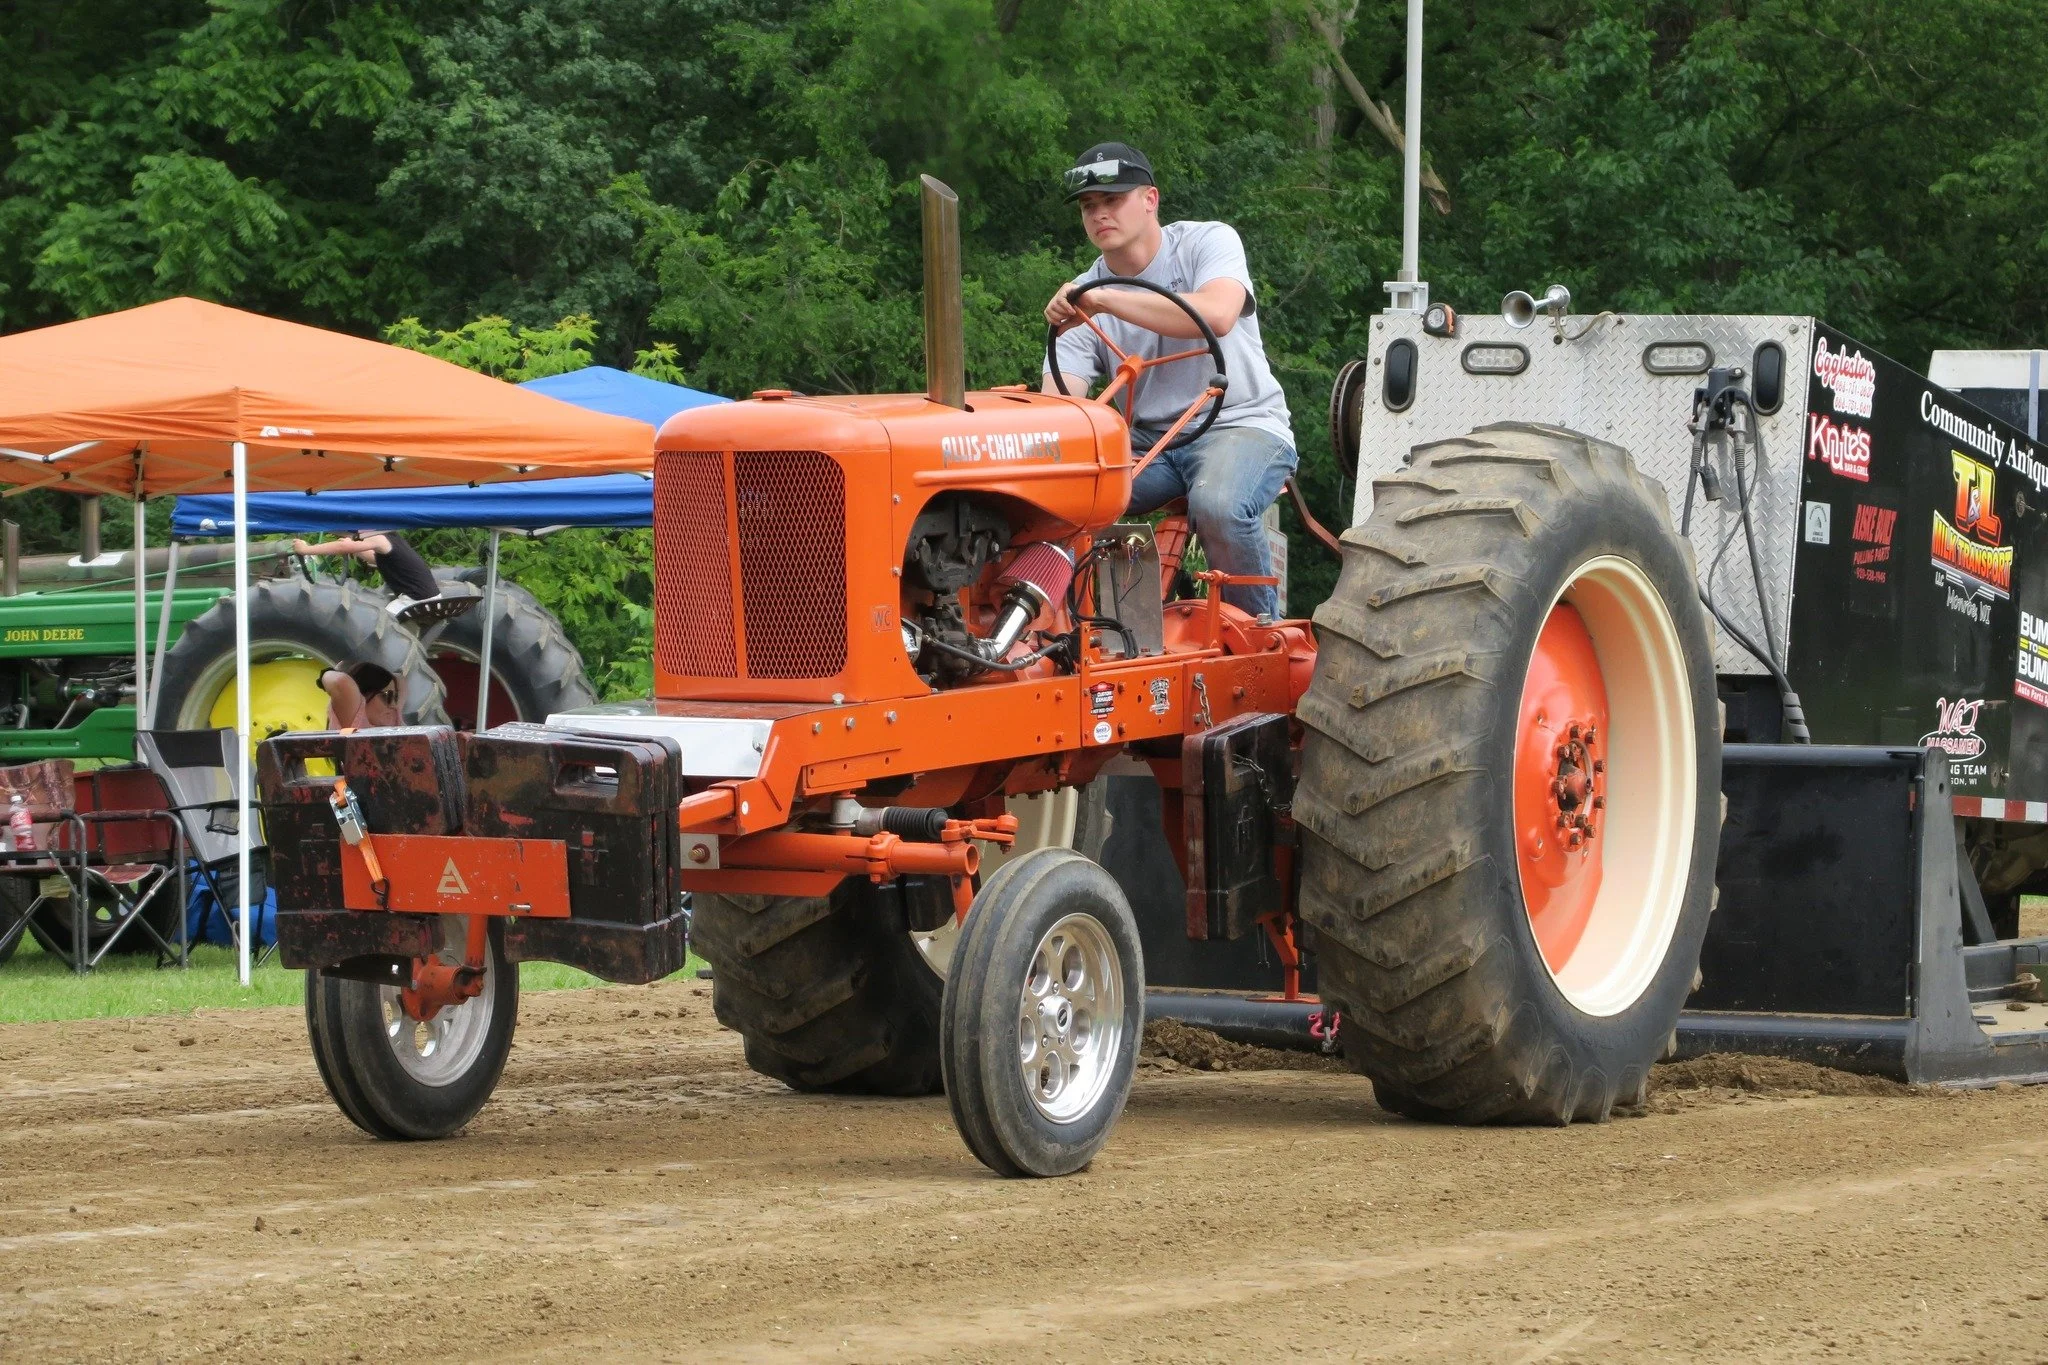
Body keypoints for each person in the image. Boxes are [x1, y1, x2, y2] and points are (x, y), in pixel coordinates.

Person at [1042, 141, 1297, 619]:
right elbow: (1061, 409)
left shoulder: (1207, 242)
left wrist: (1105, 301)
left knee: (1218, 505)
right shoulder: (1082, 298)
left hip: (1240, 425)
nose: (1100, 215)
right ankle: (1065, 636)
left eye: (1112, 200)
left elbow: (1218, 315)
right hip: (1150, 445)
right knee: (1058, 504)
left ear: (1150, 200)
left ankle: (1256, 640)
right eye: (1088, 206)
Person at [291, 530, 443, 614]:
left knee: (377, 623)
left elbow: (342, 548)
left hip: (416, 601)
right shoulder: (391, 538)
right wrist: (355, 548)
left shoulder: (380, 538)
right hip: (430, 597)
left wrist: (305, 550)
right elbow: (379, 559)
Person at [317, 661, 403, 730]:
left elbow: (400, 679)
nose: (394, 705)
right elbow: (340, 681)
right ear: (363, 696)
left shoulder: (392, 716)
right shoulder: (354, 724)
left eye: (395, 697)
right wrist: (325, 673)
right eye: (387, 696)